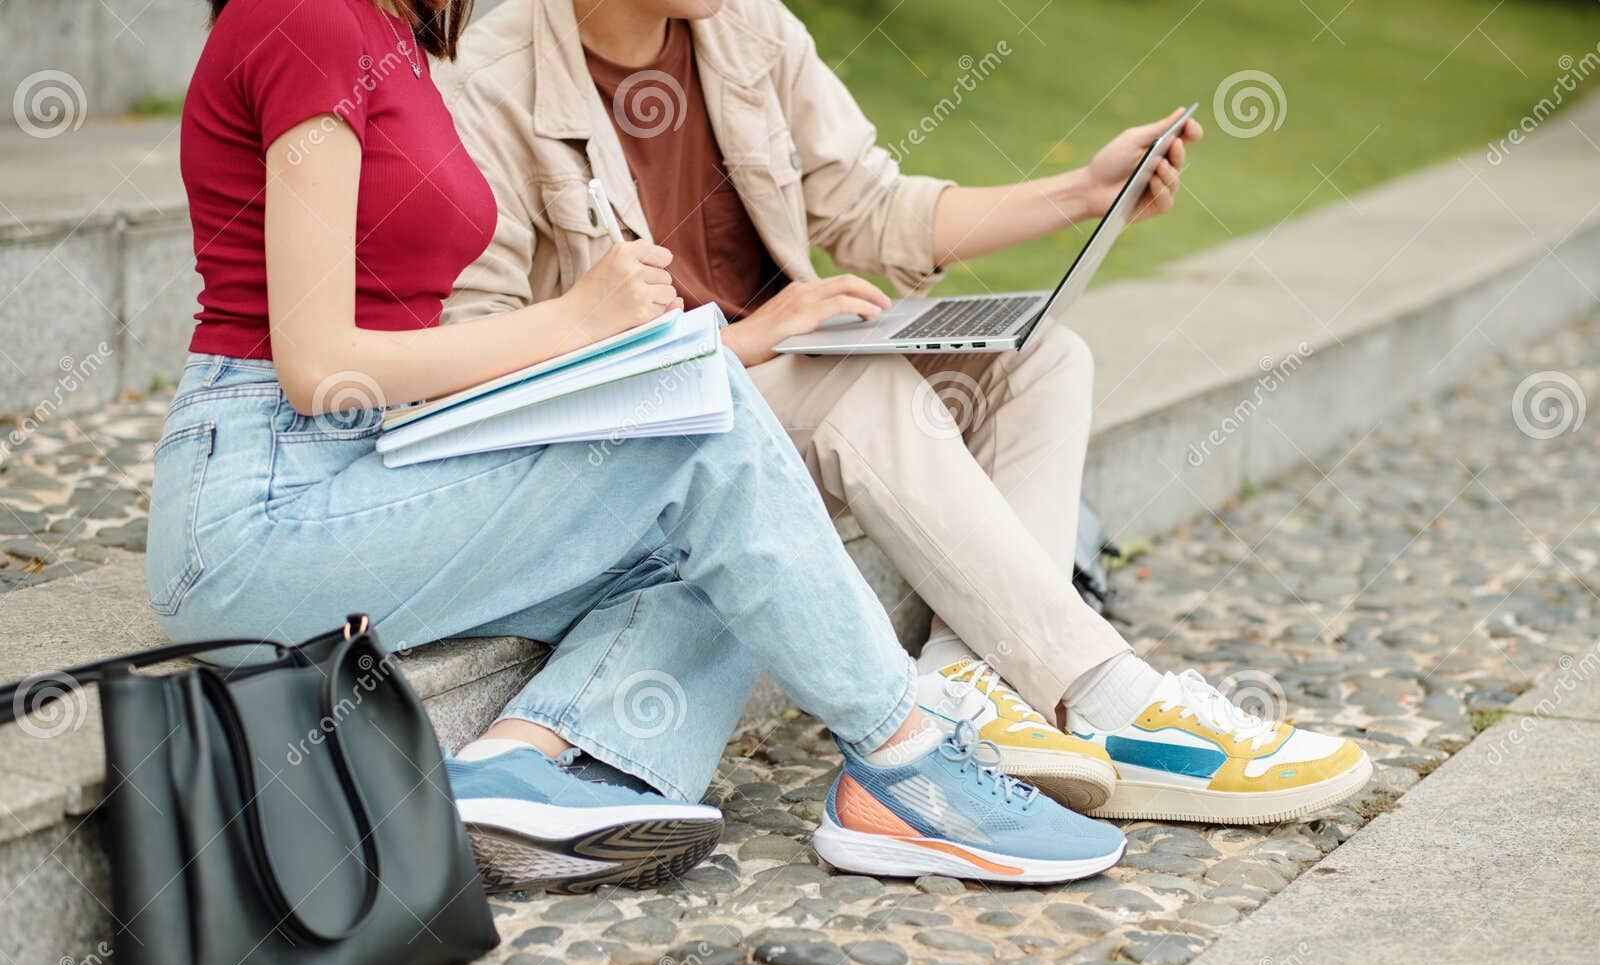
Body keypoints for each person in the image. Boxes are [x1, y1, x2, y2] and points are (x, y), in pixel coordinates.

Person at [151, 0, 1127, 895]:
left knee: (729, 535)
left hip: (375, 463)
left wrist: (613, 348)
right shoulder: (308, 20)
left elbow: (874, 209)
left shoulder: (400, 33)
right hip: (266, 507)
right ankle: (908, 760)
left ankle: (532, 758)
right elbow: (317, 365)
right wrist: (588, 324)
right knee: (701, 415)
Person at [441, 0, 1373, 825]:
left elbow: (876, 210)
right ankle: (1111, 697)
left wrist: (1086, 195)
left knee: (1041, 356)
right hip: (646, 444)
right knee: (859, 383)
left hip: (786, 389)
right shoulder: (490, 79)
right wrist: (751, 339)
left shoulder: (749, 28)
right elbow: (490, 371)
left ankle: (969, 681)